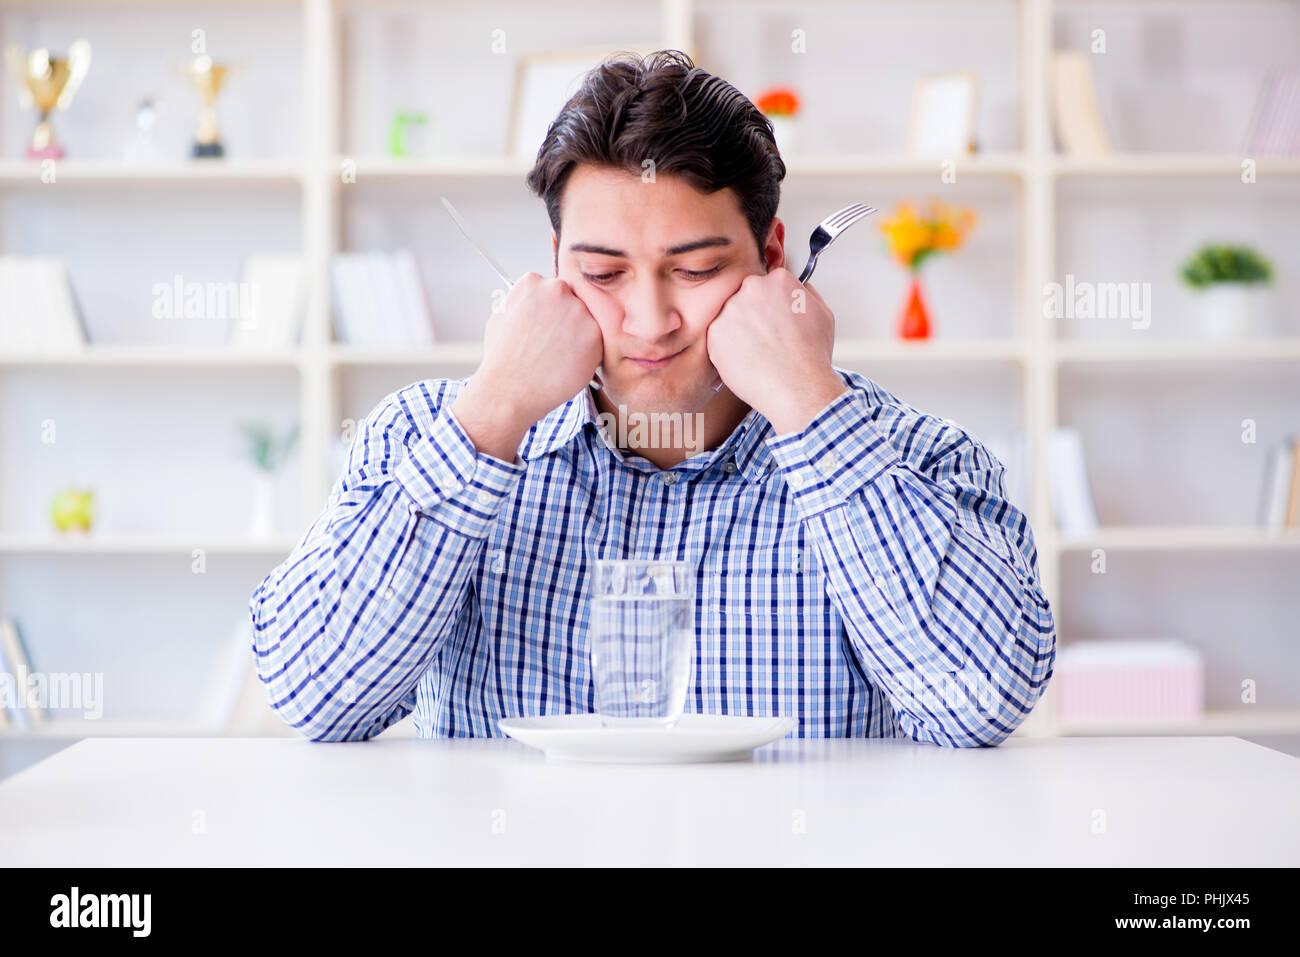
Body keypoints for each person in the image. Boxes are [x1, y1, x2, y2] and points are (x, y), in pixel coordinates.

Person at [249, 50, 1055, 746]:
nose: (649, 320)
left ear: (773, 257)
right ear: (555, 265)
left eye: (695, 269)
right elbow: (316, 697)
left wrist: (811, 404)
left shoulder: (913, 457)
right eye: (603, 273)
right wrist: (492, 413)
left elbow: (980, 703)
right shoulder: (427, 434)